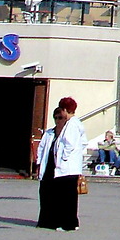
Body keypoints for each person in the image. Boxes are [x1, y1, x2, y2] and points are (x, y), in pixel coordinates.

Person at [36, 96, 86, 231]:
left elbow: (69, 144)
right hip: (69, 166)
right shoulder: (75, 123)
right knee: (67, 196)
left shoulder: (72, 124)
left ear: (65, 109)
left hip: (67, 166)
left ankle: (68, 224)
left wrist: (63, 157)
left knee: (67, 197)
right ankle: (67, 222)